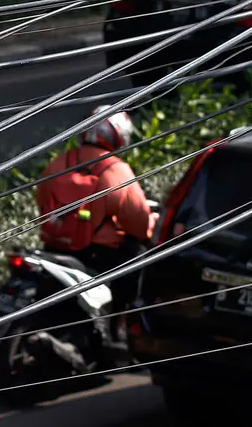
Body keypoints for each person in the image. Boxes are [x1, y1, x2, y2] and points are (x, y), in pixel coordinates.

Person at [35, 105, 155, 344]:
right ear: (117, 134)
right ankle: (119, 326)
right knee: (140, 260)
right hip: (99, 256)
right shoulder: (116, 170)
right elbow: (140, 224)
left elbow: (43, 203)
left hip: (55, 249)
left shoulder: (58, 164)